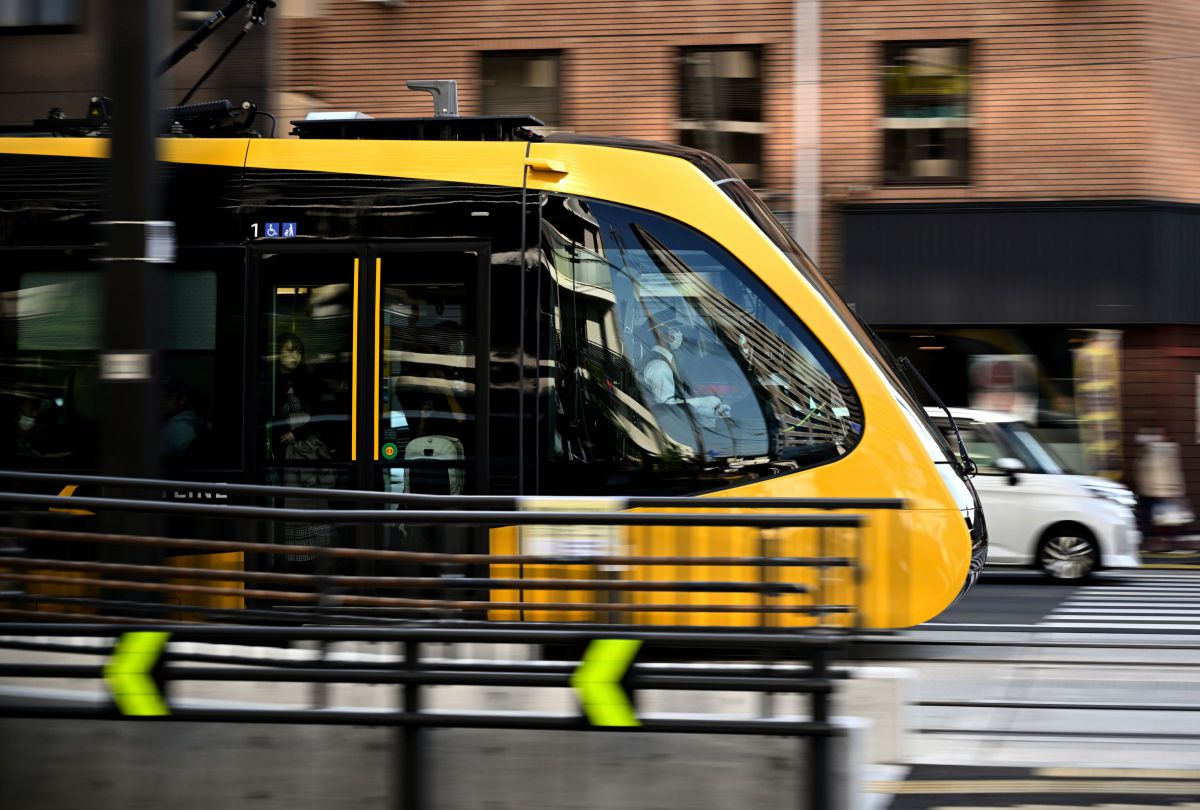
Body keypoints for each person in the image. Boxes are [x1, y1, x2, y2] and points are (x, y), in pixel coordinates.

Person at [637, 308, 730, 429]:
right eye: (674, 330)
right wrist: (704, 402)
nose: (679, 333)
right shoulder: (660, 367)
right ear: (660, 335)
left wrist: (704, 407)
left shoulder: (664, 361)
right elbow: (668, 409)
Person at [1134, 427, 1191, 550]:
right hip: (1161, 490)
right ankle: (1168, 541)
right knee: (1165, 517)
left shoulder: (1153, 451)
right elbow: (1174, 473)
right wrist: (1178, 489)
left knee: (1155, 517)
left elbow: (1142, 471)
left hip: (1152, 490)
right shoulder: (1167, 451)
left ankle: (1154, 541)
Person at [159, 376, 207, 466]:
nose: (162, 401)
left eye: (168, 396)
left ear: (182, 399)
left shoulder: (176, 429)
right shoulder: (191, 420)